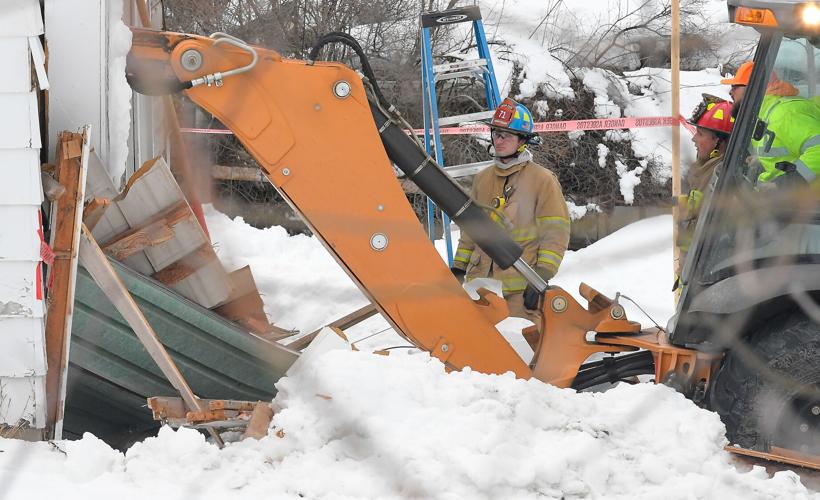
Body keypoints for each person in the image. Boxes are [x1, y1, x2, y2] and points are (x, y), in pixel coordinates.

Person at [451, 98, 570, 338]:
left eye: (506, 135)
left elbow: (555, 234)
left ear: (523, 140)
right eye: (496, 134)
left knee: (517, 352)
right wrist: (459, 268)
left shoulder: (542, 180)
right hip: (480, 289)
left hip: (520, 295)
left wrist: (541, 278)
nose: (499, 140)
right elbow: (471, 232)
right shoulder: (482, 179)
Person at [720, 61, 820, 185]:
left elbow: (817, 149)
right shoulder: (764, 114)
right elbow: (788, 151)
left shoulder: (784, 113)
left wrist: (784, 184)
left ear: (752, 89)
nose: (731, 92)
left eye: (734, 87)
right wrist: (762, 160)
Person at [676, 97, 735, 275]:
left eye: (700, 134)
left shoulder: (722, 178)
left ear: (719, 142)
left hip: (705, 275)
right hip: (691, 273)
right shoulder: (705, 171)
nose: (694, 138)